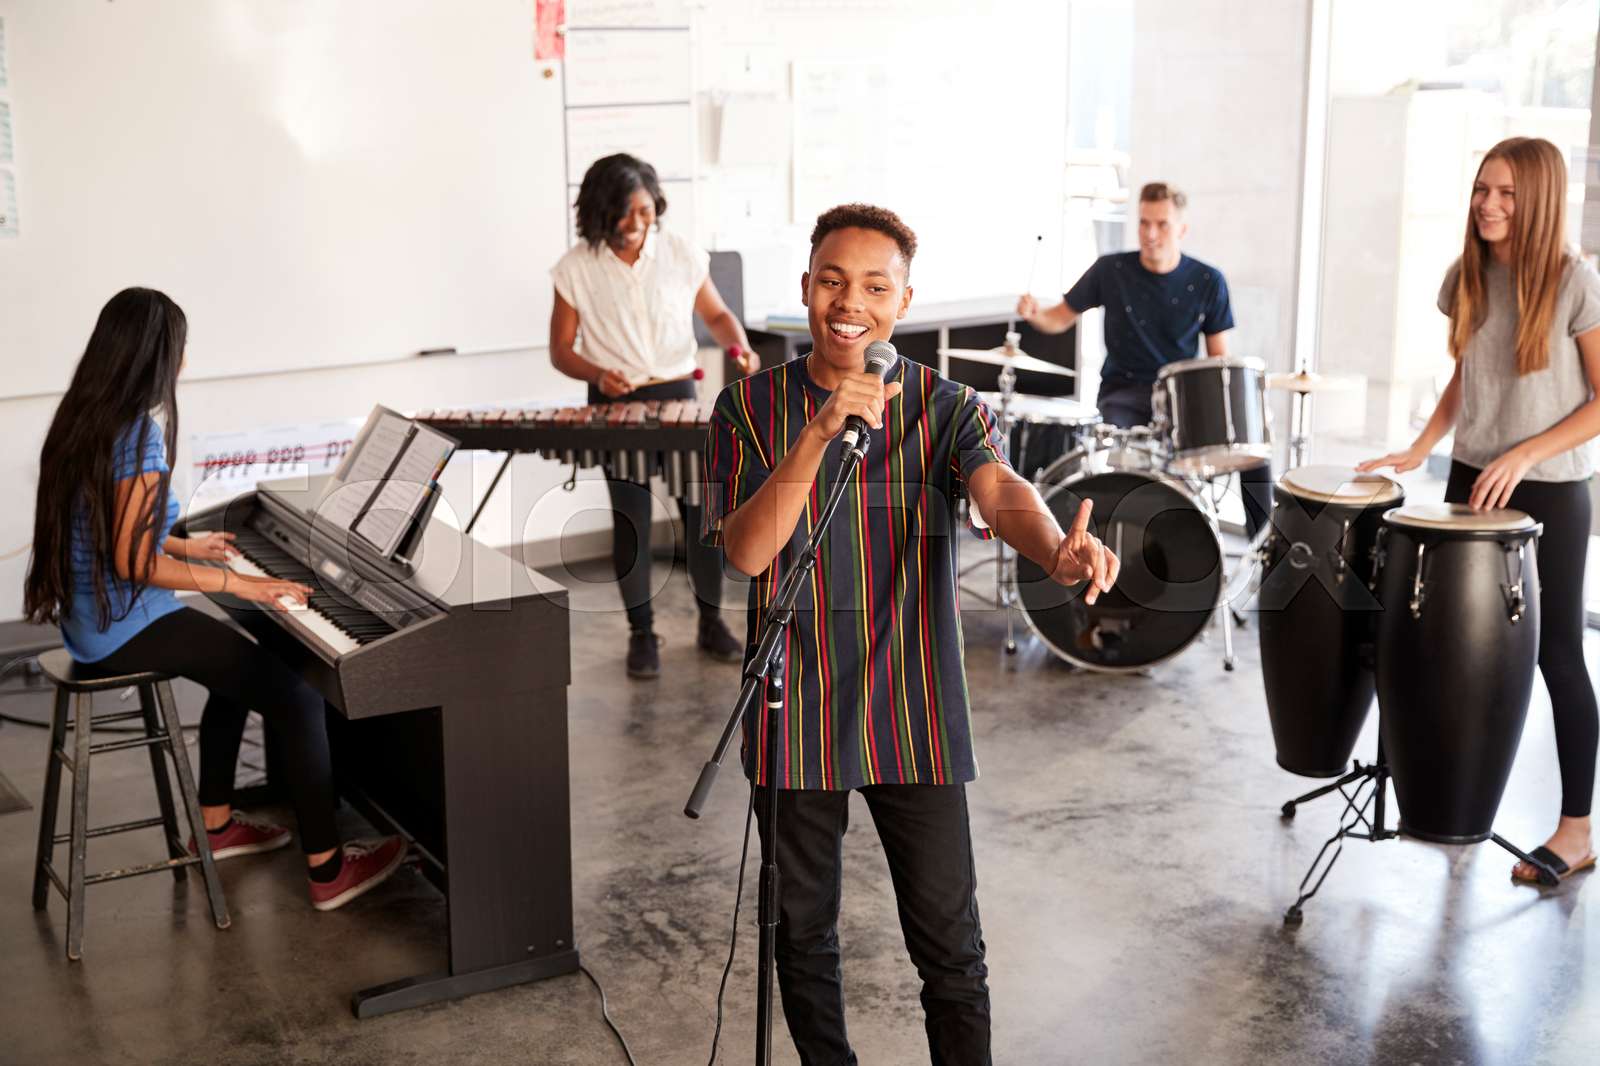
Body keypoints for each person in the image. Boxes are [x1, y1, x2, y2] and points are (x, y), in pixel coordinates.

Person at [704, 204, 1118, 1064]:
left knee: (951, 954)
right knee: (803, 938)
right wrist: (821, 433)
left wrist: (1055, 552)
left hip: (911, 708)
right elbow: (748, 553)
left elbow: (1001, 490)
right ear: (807, 288)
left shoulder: (945, 405)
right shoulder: (747, 410)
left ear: (902, 302)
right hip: (795, 708)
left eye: (873, 286)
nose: (849, 302)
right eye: (831, 280)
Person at [23, 288, 406, 911]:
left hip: (92, 621)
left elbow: (116, 538)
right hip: (123, 626)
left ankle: (220, 823)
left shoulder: (81, 421)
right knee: (298, 694)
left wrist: (190, 549)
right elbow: (134, 562)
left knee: (239, 669)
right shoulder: (137, 438)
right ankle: (329, 869)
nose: (183, 362)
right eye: (179, 349)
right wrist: (239, 582)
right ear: (155, 357)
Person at [1360, 136, 1600, 885]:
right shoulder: (1466, 274)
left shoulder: (1574, 283)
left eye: (1507, 193)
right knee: (1462, 651)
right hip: (1473, 475)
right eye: (1481, 190)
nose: (1489, 205)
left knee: (1555, 652)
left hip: (1549, 487)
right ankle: (1457, 804)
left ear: (1539, 199)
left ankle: (1576, 829)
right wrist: (1422, 444)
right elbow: (1469, 375)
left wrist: (1525, 455)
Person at [550, 152, 758, 679]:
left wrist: (739, 347)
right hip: (615, 400)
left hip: (680, 393)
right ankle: (642, 634)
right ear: (599, 213)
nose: (638, 224)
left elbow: (715, 314)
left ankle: (712, 623)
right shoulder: (576, 267)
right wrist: (598, 375)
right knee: (633, 521)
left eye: (646, 211)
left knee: (704, 518)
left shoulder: (679, 252)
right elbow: (561, 349)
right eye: (625, 214)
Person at [1017, 181, 1272, 537]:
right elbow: (1059, 317)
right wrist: (1034, 315)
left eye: (1162, 224)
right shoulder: (1110, 270)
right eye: (1143, 222)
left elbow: (1219, 363)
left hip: (1183, 400)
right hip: (1122, 392)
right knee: (1118, 458)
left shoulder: (1209, 280)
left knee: (1255, 452)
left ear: (1181, 229)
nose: (1150, 233)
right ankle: (1112, 541)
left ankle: (1264, 552)